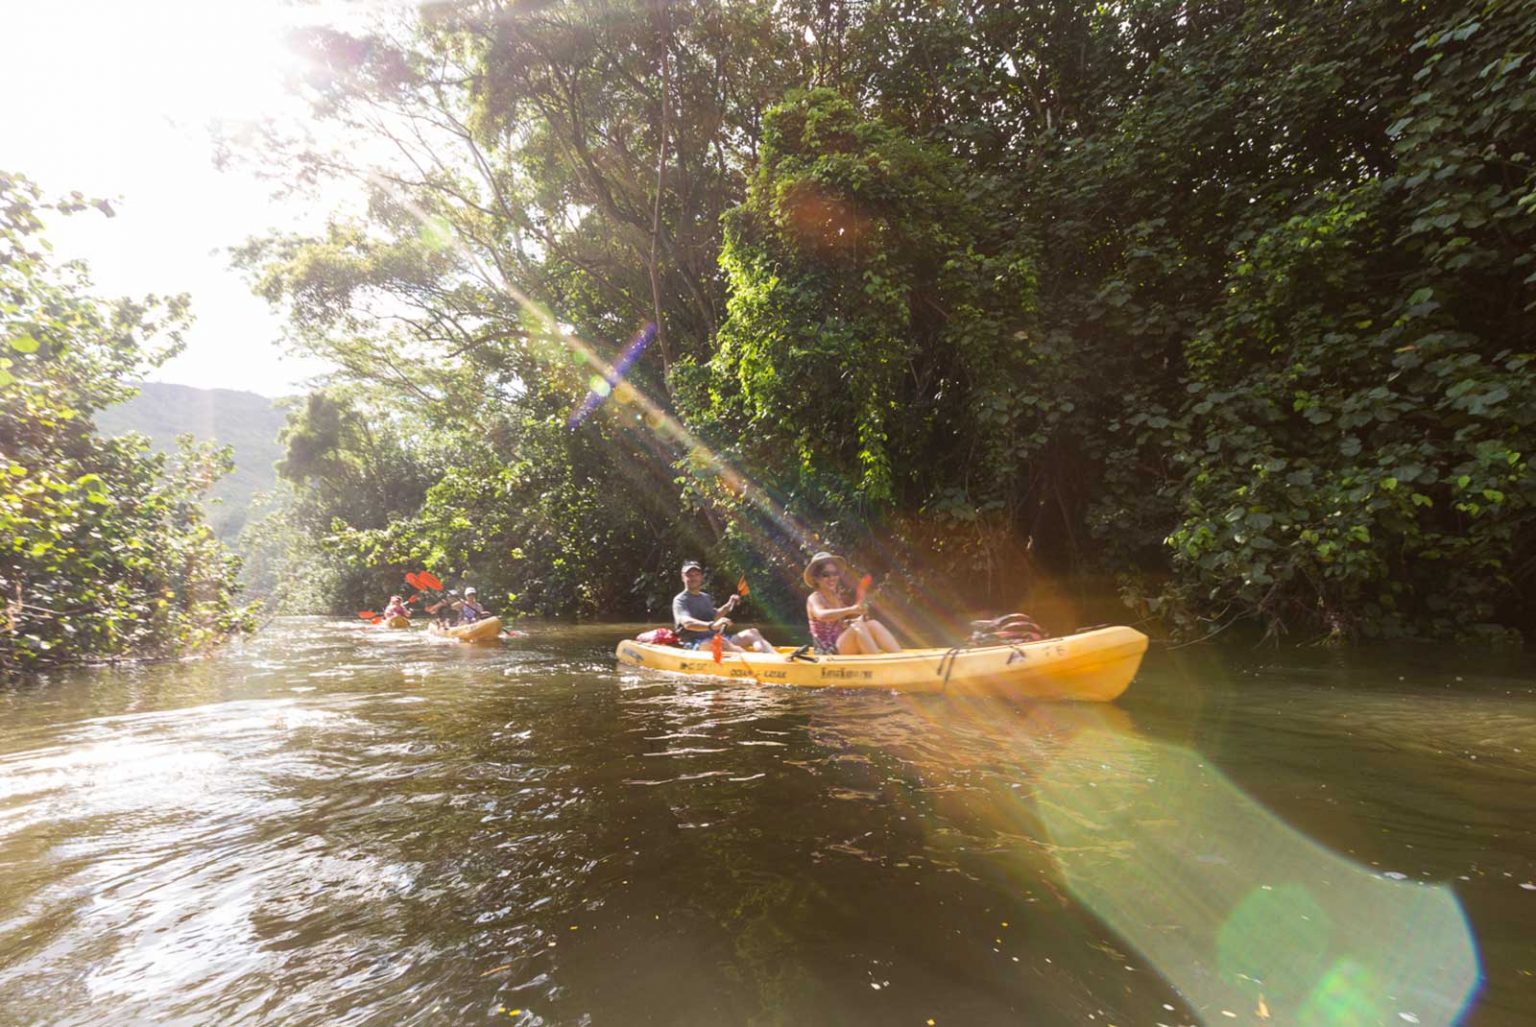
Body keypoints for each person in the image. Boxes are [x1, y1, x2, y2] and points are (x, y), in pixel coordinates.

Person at [804, 551, 900, 655]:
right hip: (826, 652)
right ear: (816, 578)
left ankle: (901, 658)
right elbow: (822, 615)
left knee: (872, 624)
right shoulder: (814, 598)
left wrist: (858, 616)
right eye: (826, 574)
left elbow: (839, 624)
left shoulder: (837, 597)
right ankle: (878, 665)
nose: (832, 578)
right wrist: (851, 610)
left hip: (841, 645)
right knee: (858, 627)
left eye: (835, 573)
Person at [672, 560, 773, 653]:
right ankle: (756, 662)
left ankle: (774, 658)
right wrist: (712, 626)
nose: (693, 578)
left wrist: (729, 605)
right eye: (689, 575)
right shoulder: (680, 600)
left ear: (701, 577)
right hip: (695, 643)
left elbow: (714, 616)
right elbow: (687, 623)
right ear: (683, 577)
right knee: (721, 643)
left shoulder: (705, 597)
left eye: (696, 574)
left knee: (753, 632)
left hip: (715, 638)